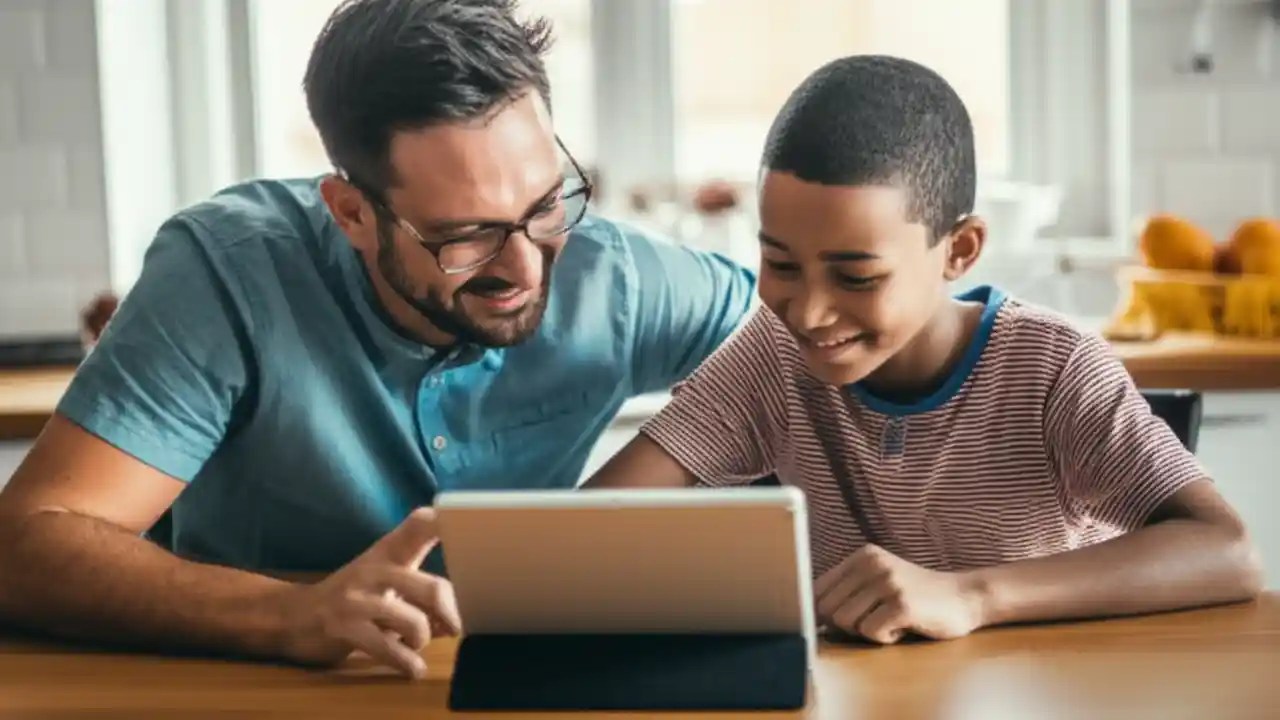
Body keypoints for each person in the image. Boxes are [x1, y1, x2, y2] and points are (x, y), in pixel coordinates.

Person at [0, 0, 754, 679]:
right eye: (466, 236)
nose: (527, 264)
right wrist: (292, 616)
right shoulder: (226, 275)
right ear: (352, 213)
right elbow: (24, 551)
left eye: (547, 203)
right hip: (257, 689)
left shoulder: (617, 277)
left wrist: (677, 460)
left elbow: (822, 350)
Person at [586, 55, 1263, 644]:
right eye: (781, 265)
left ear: (958, 251)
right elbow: (581, 531)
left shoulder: (1054, 370)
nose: (809, 312)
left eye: (857, 277)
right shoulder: (770, 358)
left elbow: (1228, 553)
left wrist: (969, 596)